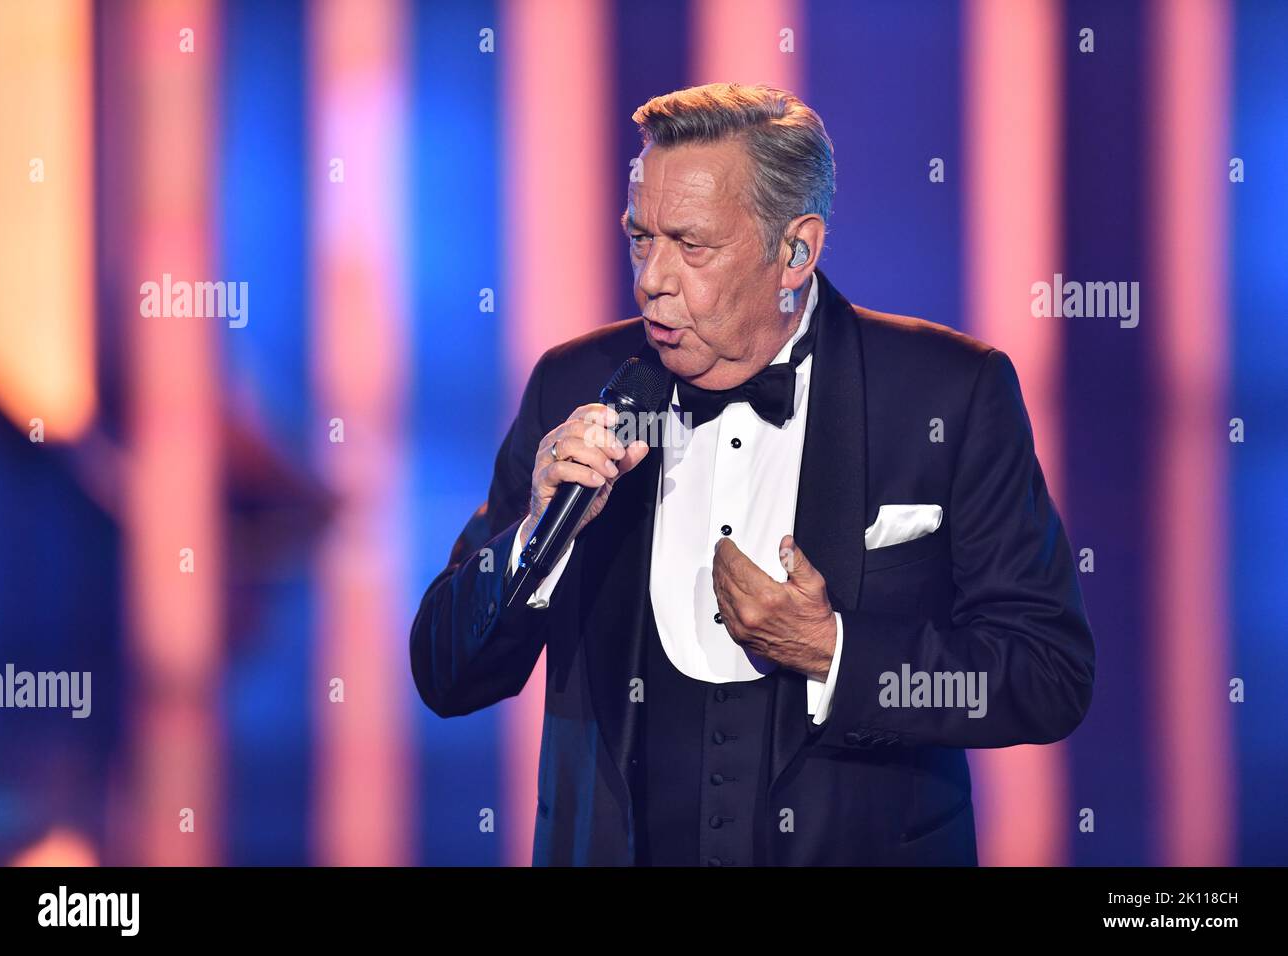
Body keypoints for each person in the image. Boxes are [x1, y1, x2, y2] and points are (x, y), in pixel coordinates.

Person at [410, 83, 1094, 866]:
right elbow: (444, 675)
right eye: (641, 239)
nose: (651, 280)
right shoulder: (576, 384)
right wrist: (538, 535)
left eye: (691, 245)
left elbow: (1047, 675)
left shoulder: (946, 391)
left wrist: (835, 650)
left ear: (795, 251)